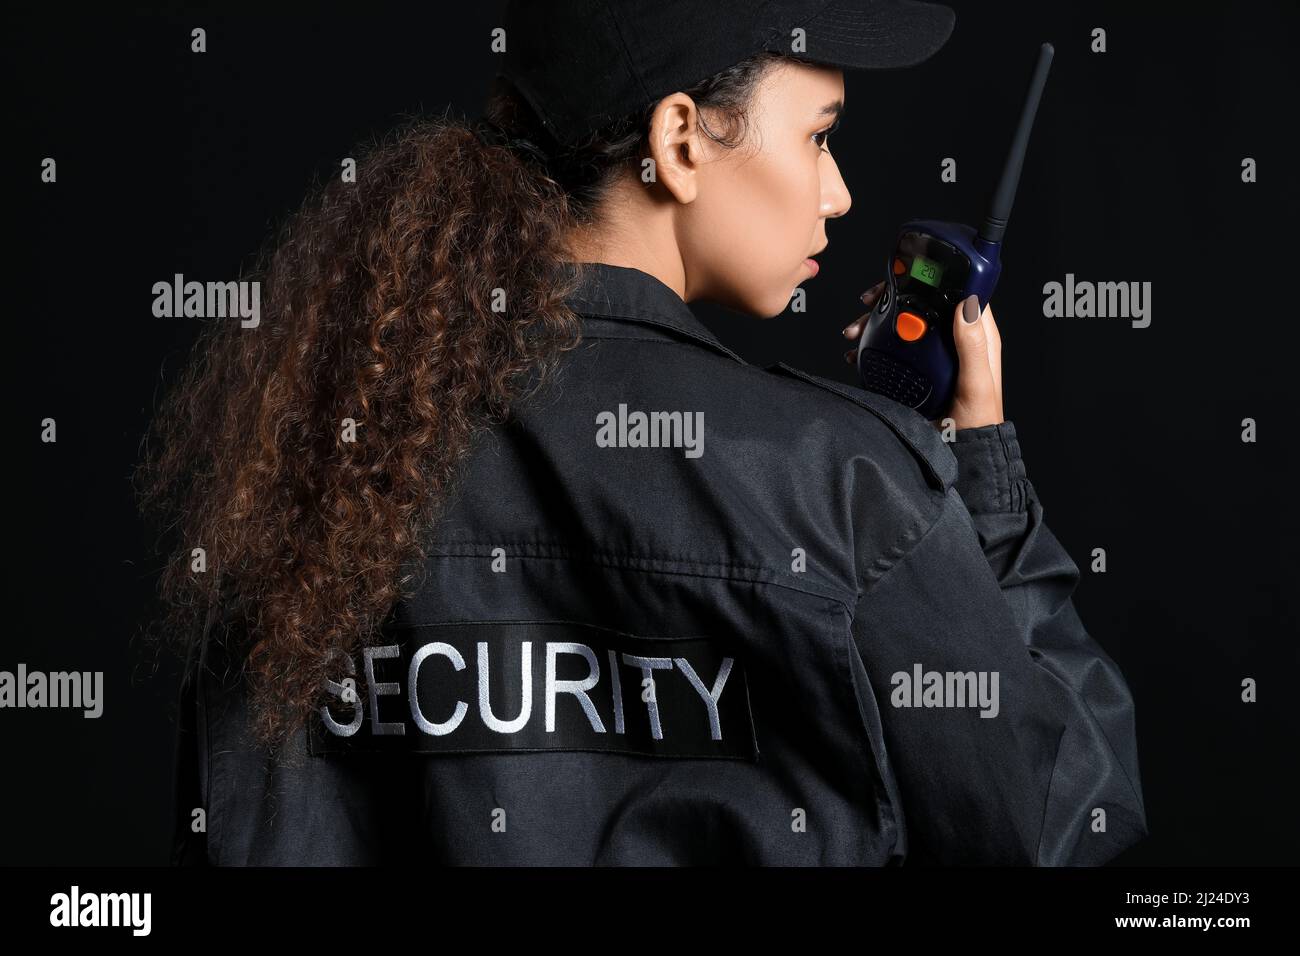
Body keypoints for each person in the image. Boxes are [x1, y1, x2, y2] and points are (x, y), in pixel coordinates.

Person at [140, 0, 1148, 865]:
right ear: (679, 141)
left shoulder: (310, 472)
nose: (838, 191)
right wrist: (984, 477)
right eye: (818, 135)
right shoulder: (850, 488)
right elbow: (1066, 819)